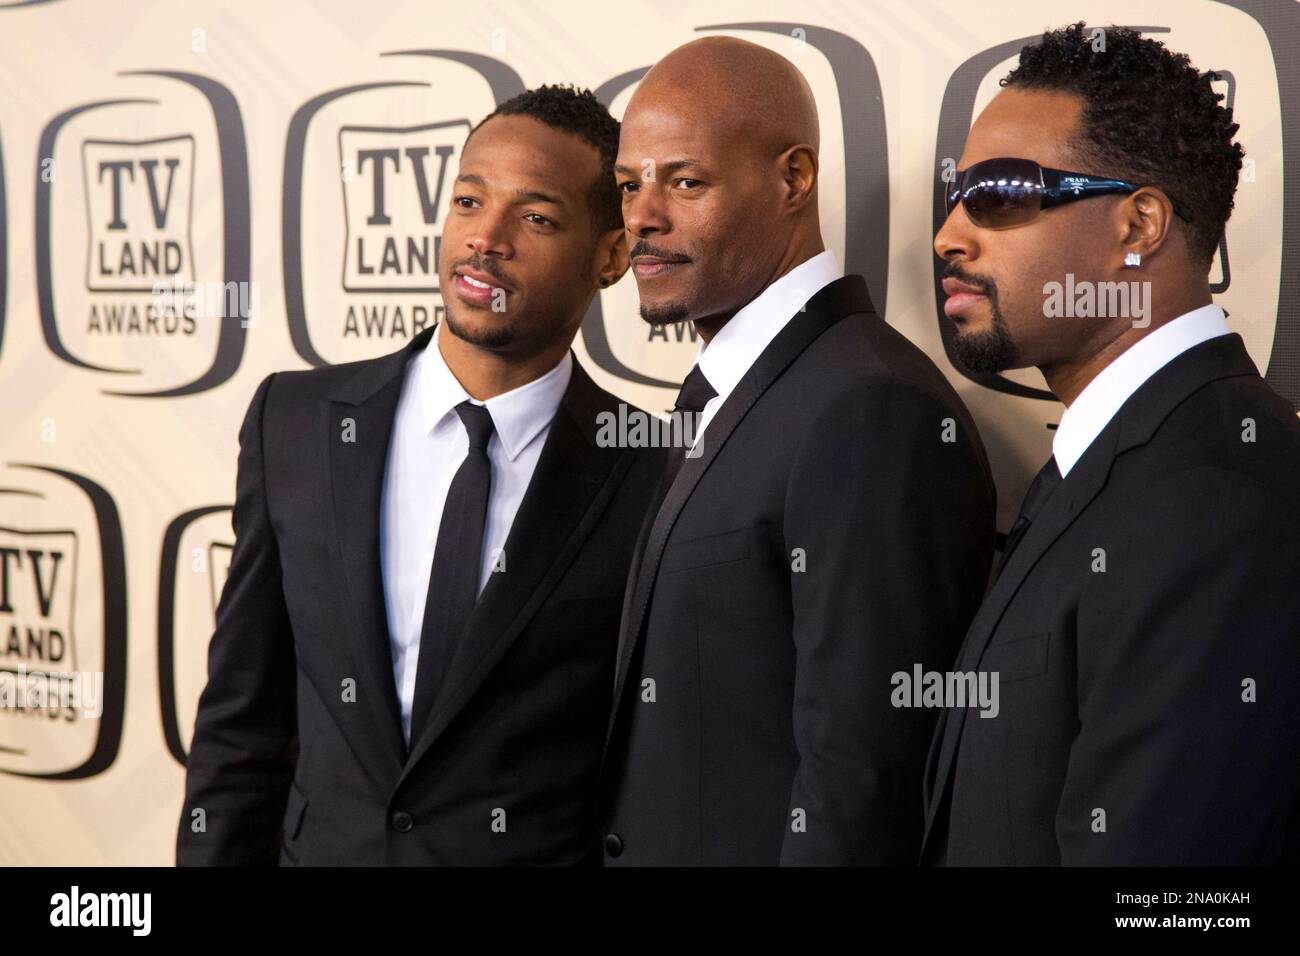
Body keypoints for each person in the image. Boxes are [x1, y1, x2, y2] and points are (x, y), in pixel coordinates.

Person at [178, 85, 663, 866]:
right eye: (470, 201)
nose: (486, 239)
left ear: (611, 256)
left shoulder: (652, 471)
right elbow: (243, 723)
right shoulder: (295, 424)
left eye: (536, 218)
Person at [598, 36, 996, 865]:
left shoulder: (869, 406)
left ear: (794, 178)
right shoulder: (733, 390)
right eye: (630, 184)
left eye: (685, 180)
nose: (642, 214)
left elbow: (863, 780)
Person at [925, 23, 1300, 865]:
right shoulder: (1109, 462)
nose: (950, 234)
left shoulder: (1214, 497)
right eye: (956, 195)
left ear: (1138, 225)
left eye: (1002, 193)